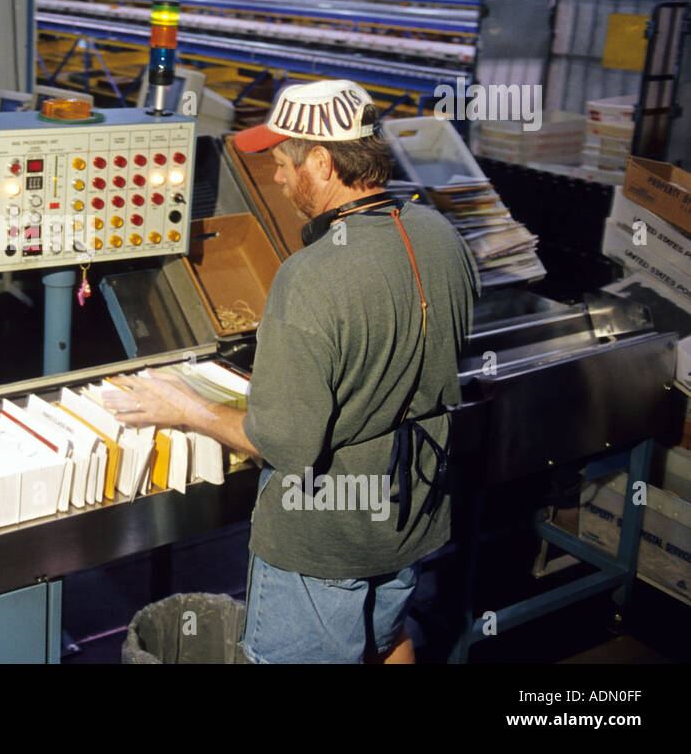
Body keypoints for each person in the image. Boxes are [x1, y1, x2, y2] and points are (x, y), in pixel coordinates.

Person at [103, 79, 479, 663]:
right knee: (387, 638)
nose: (276, 178)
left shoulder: (309, 275)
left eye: (283, 163)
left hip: (326, 535)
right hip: (413, 505)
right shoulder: (439, 235)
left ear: (323, 162)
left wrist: (187, 409)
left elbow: (286, 443)